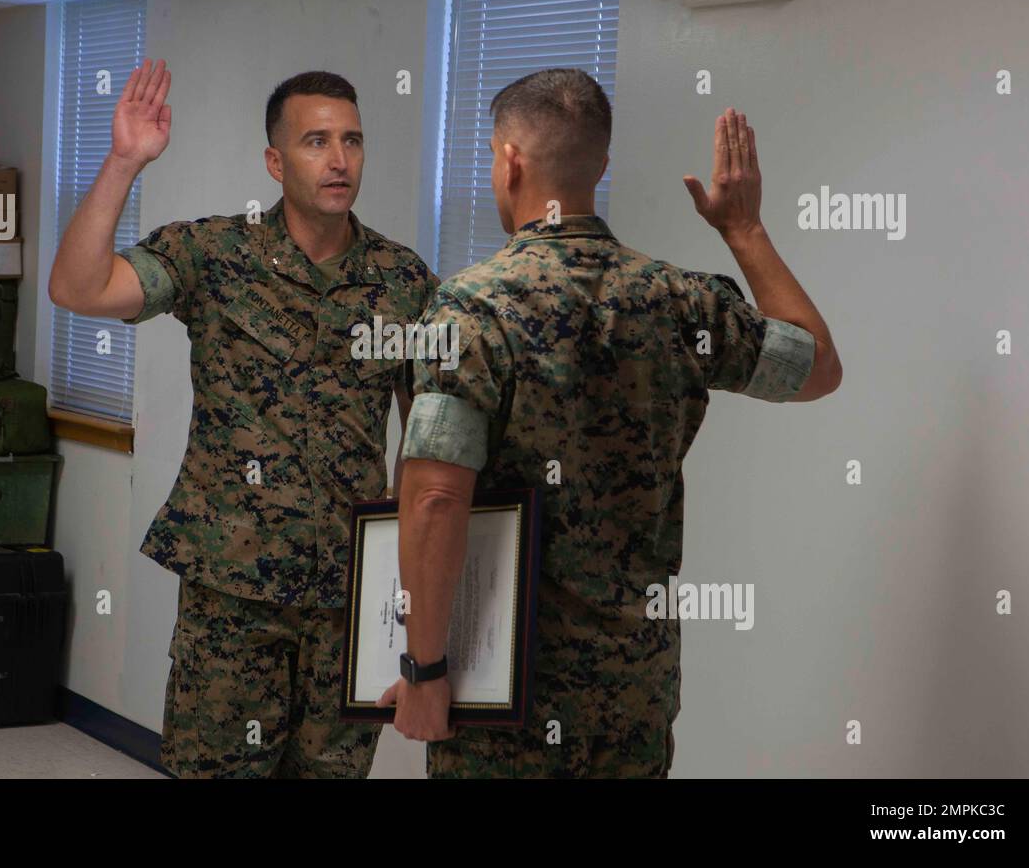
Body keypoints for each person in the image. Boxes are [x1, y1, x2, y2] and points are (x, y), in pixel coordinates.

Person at [377, 68, 842, 778]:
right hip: (635, 687)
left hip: (508, 691)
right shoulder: (681, 301)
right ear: (600, 164)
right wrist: (743, 229)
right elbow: (816, 369)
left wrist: (424, 670)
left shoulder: (469, 309)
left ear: (509, 161)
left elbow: (438, 498)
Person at [49, 59, 438, 777]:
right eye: (316, 141)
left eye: (352, 141)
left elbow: (429, 448)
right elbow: (78, 286)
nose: (339, 159)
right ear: (274, 159)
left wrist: (425, 594)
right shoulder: (215, 253)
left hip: (350, 594)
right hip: (234, 593)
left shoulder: (403, 279)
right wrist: (123, 162)